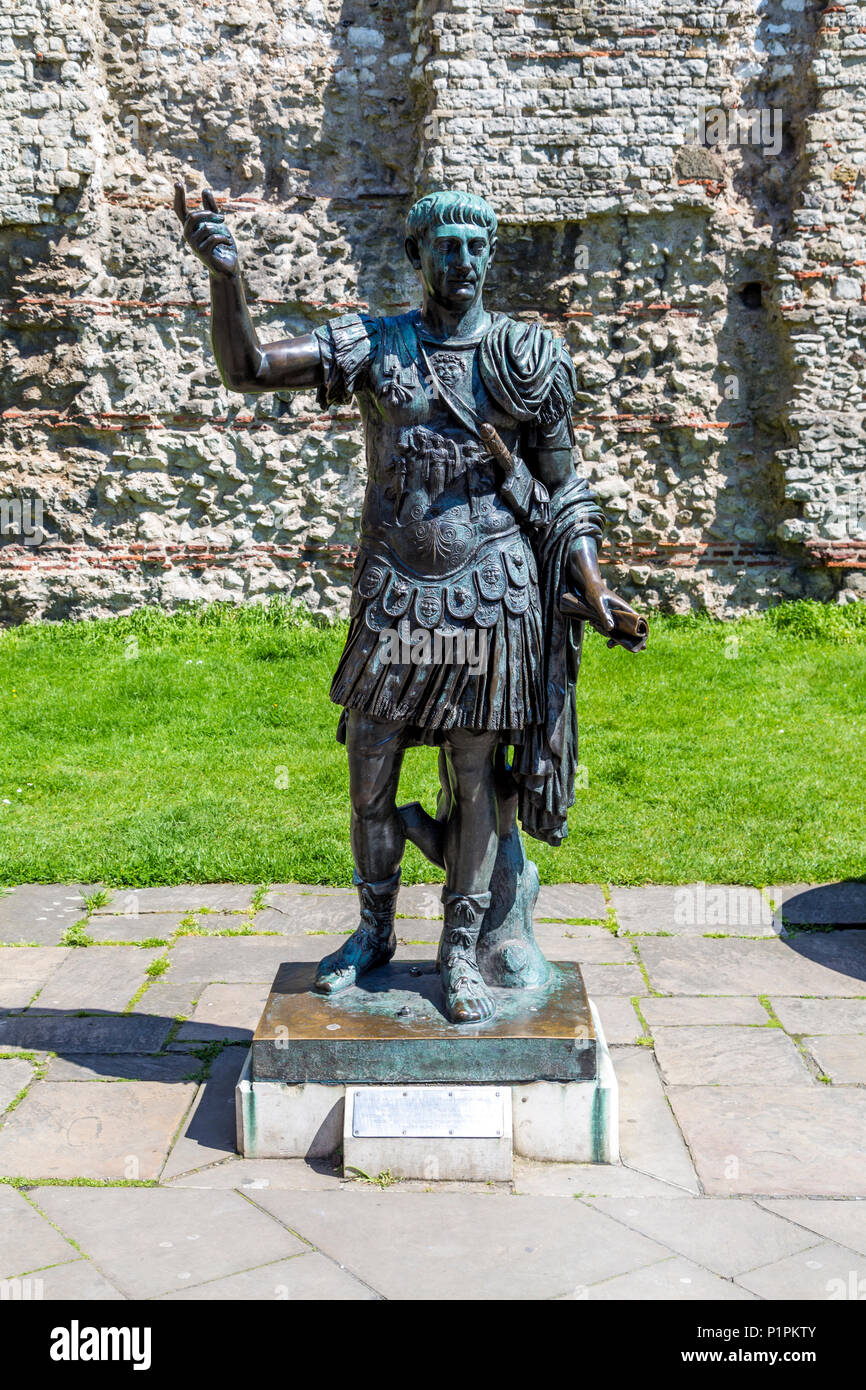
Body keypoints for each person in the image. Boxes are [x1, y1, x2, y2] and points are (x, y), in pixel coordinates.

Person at [174, 184, 641, 1023]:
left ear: (489, 254)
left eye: (473, 245)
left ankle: (459, 949)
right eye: (444, 246)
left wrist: (595, 589)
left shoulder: (528, 357)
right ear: (416, 256)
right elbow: (247, 370)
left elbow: (567, 493)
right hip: (396, 593)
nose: (460, 261)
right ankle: (375, 928)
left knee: (472, 779)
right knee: (369, 772)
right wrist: (226, 277)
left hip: (491, 593)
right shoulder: (376, 343)